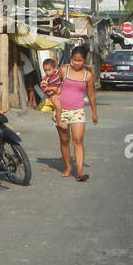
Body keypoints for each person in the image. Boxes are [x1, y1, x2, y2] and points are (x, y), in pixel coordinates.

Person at [55, 45, 97, 181]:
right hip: (62, 111)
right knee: (64, 140)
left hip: (78, 111)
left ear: (84, 60)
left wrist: (94, 112)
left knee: (78, 140)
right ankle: (68, 167)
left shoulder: (88, 76)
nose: (76, 63)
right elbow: (54, 86)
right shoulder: (64, 70)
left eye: (79, 61)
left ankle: (80, 172)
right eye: (74, 60)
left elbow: (91, 95)